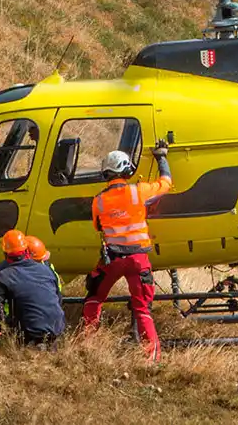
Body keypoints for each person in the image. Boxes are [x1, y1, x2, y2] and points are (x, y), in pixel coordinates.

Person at [81, 140, 171, 360]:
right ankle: (151, 358)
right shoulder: (139, 191)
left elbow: (98, 226)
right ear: (127, 170)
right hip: (138, 259)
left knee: (94, 297)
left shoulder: (98, 201)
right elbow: (166, 183)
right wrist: (161, 157)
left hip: (112, 259)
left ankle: (87, 345)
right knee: (142, 308)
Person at [0, 229, 68, 347]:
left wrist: (6, 329)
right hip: (57, 330)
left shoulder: (3, 275)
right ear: (27, 251)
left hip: (27, 334)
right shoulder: (47, 270)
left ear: (5, 254)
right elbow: (58, 299)